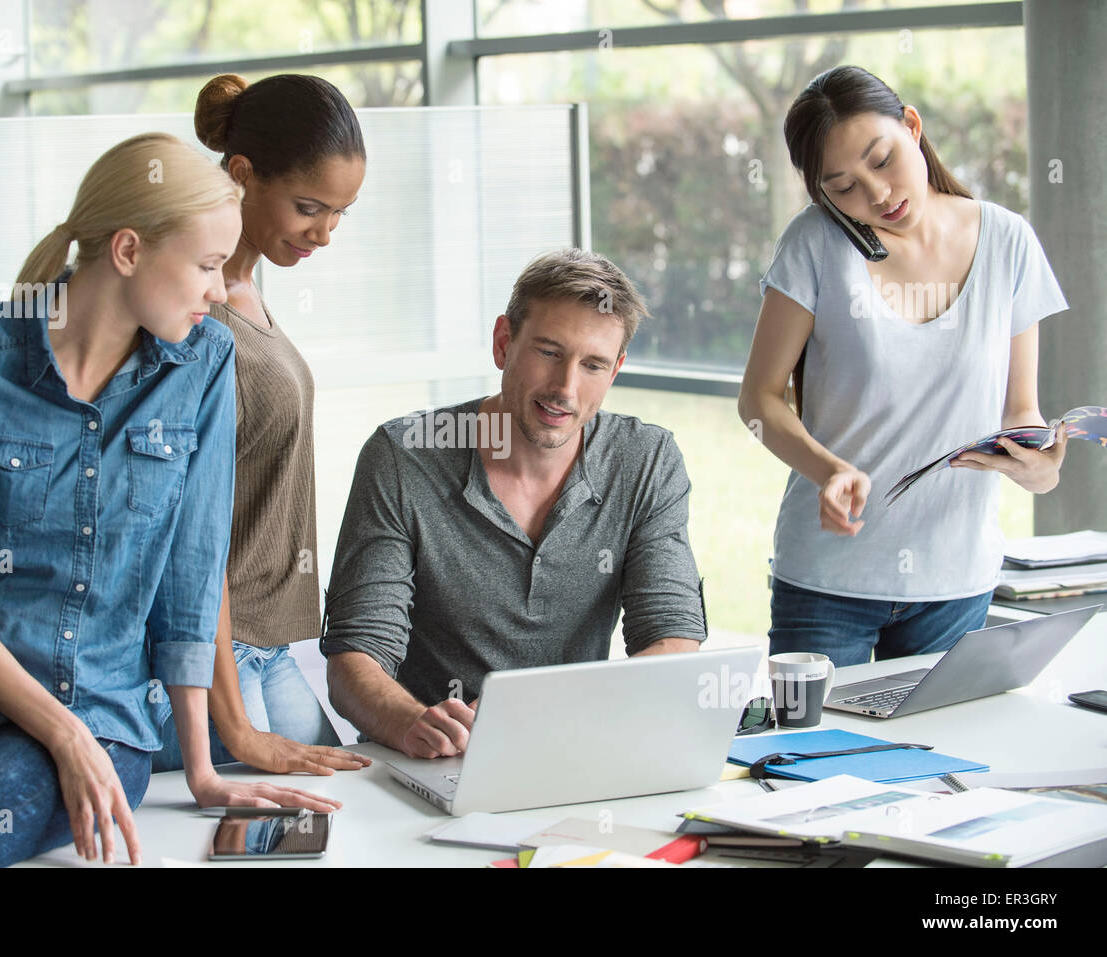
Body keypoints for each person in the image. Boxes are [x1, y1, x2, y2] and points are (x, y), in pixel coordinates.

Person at [0, 133, 337, 869]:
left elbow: (190, 577)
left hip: (101, 712)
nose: (220, 291)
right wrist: (57, 730)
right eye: (205, 266)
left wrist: (199, 768)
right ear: (128, 250)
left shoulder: (203, 363)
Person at [737, 66, 1069, 668]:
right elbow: (758, 399)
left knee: (936, 760)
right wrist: (828, 469)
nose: (877, 195)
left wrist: (1038, 467)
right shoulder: (813, 244)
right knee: (806, 758)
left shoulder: (1008, 242)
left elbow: (1021, 411)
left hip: (954, 579)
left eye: (882, 160)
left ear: (911, 127)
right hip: (828, 579)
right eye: (843, 187)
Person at [321, 249, 708, 759]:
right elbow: (354, 660)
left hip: (577, 751)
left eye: (592, 365)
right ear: (504, 343)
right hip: (436, 760)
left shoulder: (647, 460)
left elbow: (672, 639)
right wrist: (414, 723)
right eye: (548, 352)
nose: (565, 389)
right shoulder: (402, 456)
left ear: (615, 370)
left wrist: (562, 717)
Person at [151, 73, 371, 777]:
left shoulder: (245, 285)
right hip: (214, 654)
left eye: (339, 213)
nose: (325, 234)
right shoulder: (187, 317)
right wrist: (235, 727)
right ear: (240, 175)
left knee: (353, 805)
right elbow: (185, 535)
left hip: (267, 647)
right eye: (309, 207)